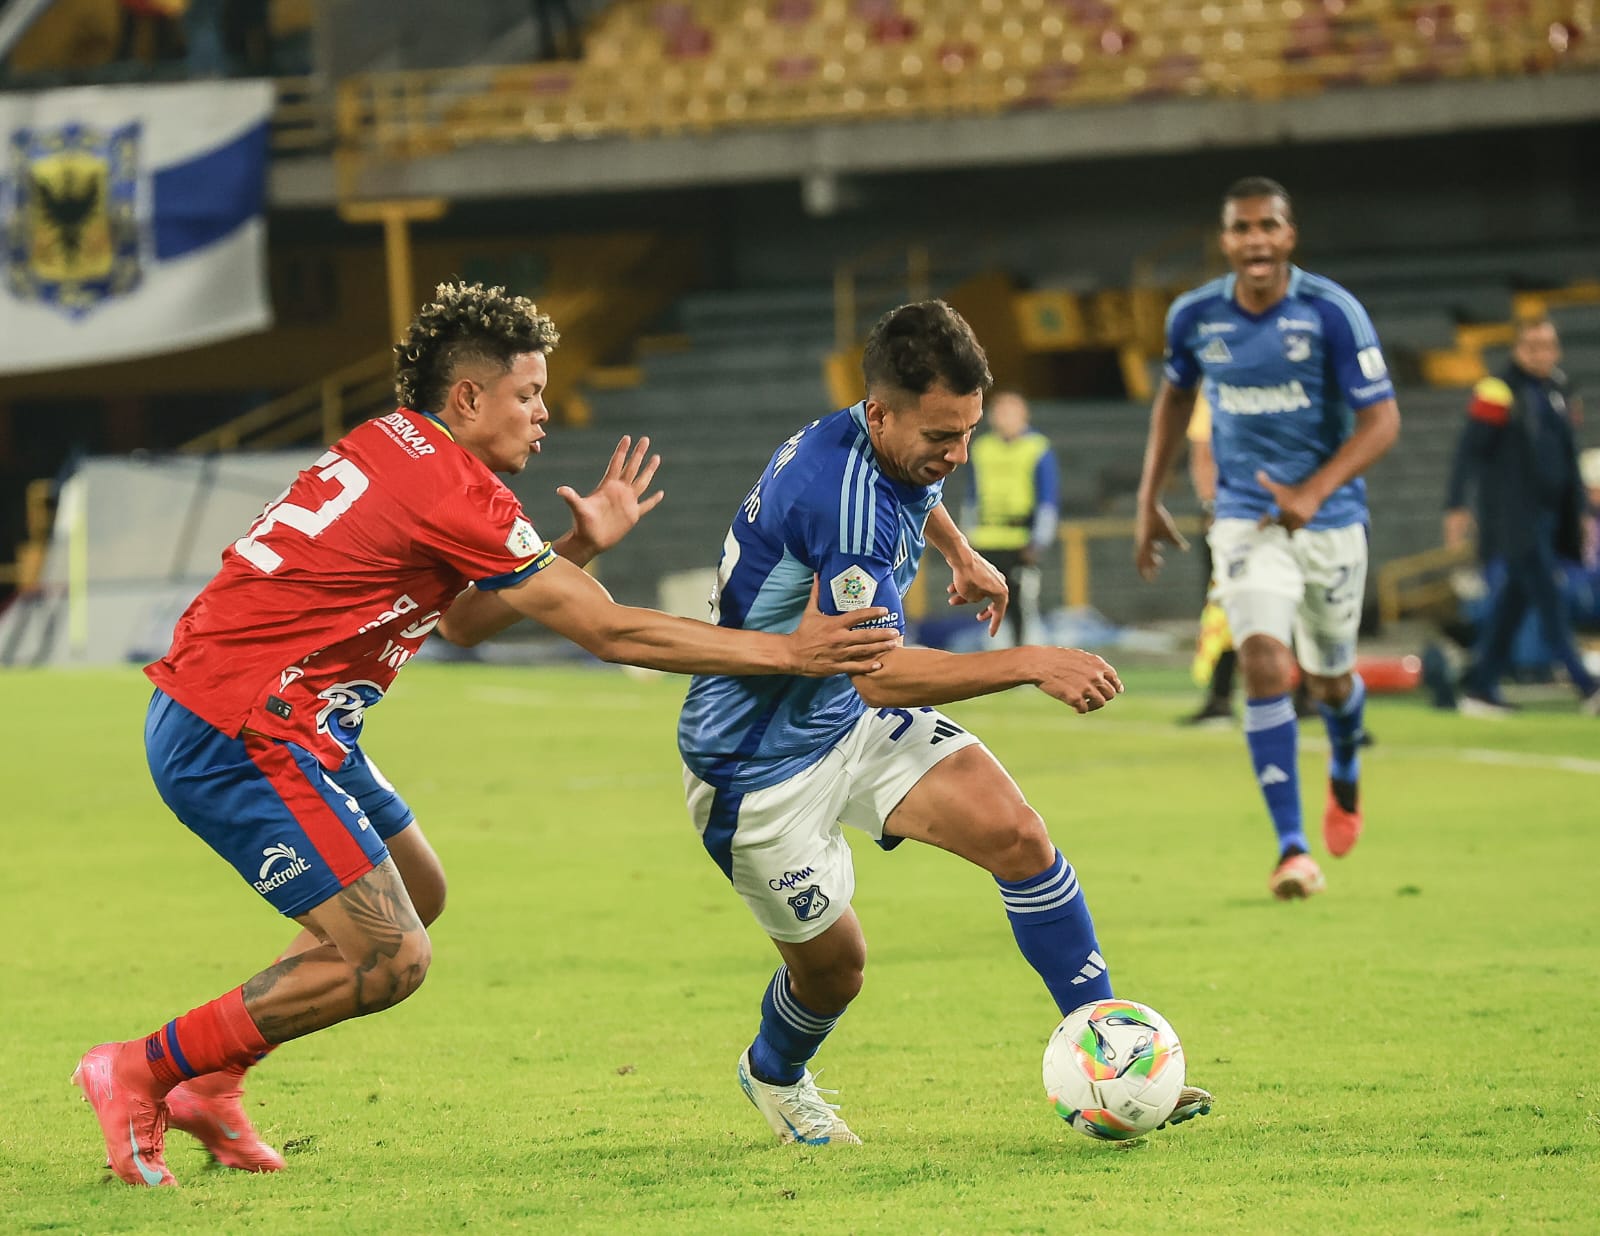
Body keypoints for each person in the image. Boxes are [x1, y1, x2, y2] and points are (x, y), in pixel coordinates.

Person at [72, 282, 902, 1188]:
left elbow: (461, 623)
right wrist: (788, 651)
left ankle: (212, 1075)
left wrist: (574, 550)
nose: (544, 414)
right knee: (391, 959)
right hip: (238, 726)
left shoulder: (396, 447)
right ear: (467, 398)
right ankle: (142, 1069)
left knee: (415, 891)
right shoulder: (449, 483)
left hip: (294, 714)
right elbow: (610, 633)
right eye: (528, 394)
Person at [677, 300, 1213, 1145]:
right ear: (883, 413)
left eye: (966, 431)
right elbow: (885, 675)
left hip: (842, 714)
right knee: (835, 975)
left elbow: (913, 490)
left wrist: (960, 554)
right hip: (755, 762)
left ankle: (1112, 1054)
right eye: (942, 437)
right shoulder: (843, 500)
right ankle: (773, 1073)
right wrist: (1034, 659)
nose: (957, 453)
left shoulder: (882, 438)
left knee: (1019, 837)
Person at [1133, 176, 1401, 901]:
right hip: (1248, 516)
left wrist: (1314, 491)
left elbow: (1383, 421)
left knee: (1330, 679)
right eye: (1242, 228)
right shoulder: (1194, 317)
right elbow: (1175, 398)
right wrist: (1149, 494)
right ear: (1225, 241)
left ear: (1289, 235)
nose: (1255, 240)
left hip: (1331, 521)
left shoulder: (1331, 312)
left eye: (1268, 227)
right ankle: (1292, 848)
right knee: (1259, 658)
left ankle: (1344, 766)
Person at [1443, 316, 1600, 716]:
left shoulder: (1559, 389)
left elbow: (1567, 454)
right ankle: (1586, 685)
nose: (1541, 354)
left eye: (1547, 346)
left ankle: (1479, 686)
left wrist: (1580, 512)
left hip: (1552, 516)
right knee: (1548, 595)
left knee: (1514, 602)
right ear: (1517, 350)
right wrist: (1456, 504)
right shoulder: (1498, 391)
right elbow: (1468, 450)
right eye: (1532, 346)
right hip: (1515, 517)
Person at [963, 390, 1060, 646]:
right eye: (1000, 411)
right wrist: (966, 536)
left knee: (1022, 603)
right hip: (987, 537)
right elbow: (971, 496)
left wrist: (1039, 540)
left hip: (1020, 538)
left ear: (1023, 415)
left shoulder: (1037, 448)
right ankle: (994, 658)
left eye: (1011, 411)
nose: (1004, 417)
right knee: (987, 604)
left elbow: (1047, 500)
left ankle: (1024, 657)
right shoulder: (982, 448)